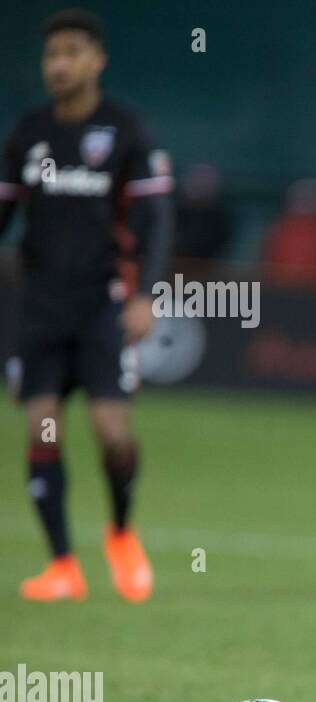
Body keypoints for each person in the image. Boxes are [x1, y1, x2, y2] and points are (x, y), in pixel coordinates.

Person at [0, 8, 173, 602]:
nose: (59, 64)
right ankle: (62, 566)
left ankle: (121, 532)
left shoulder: (124, 129)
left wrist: (146, 293)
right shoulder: (27, 133)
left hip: (102, 306)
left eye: (72, 52)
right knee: (42, 428)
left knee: (112, 432)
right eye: (51, 55)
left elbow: (154, 219)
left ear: (96, 60)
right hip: (41, 309)